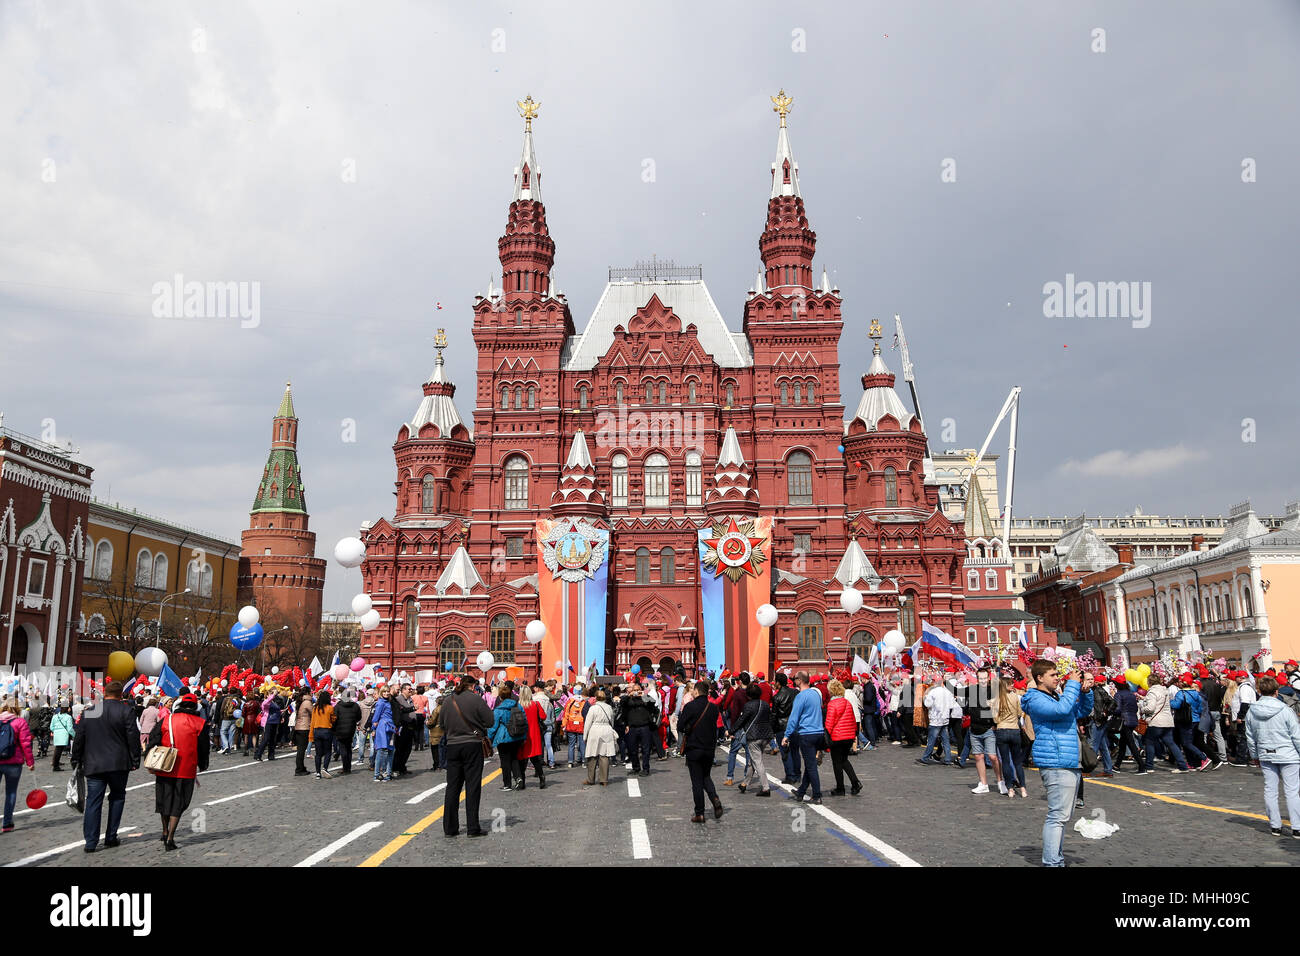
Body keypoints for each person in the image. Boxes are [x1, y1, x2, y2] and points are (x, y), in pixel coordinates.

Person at [1021, 661, 1093, 867]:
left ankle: (1055, 859)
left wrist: (1085, 692)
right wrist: (1071, 685)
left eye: (1057, 674)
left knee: (1063, 816)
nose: (1057, 678)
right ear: (1039, 678)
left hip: (1067, 760)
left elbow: (1080, 711)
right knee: (1057, 817)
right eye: (1052, 675)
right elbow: (1061, 711)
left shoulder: (1056, 696)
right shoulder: (1035, 699)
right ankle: (1052, 862)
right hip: (1056, 761)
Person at [71, 679, 142, 853]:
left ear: (105, 694)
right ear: (120, 695)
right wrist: (135, 760)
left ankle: (90, 841)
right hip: (118, 763)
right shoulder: (126, 711)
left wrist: (76, 760)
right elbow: (133, 737)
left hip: (94, 764)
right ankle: (111, 836)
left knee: (93, 802)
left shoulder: (90, 712)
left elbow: (79, 738)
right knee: (117, 798)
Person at [146, 693, 210, 851]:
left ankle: (164, 830)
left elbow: (153, 739)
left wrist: (150, 757)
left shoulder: (166, 720)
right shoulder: (200, 723)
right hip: (186, 768)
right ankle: (170, 838)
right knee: (179, 802)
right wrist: (203, 764)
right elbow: (203, 747)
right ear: (195, 706)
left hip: (165, 766)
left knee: (164, 799)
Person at [1244, 675, 1300, 838]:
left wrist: (1255, 755)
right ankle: (1297, 827)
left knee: (1270, 789)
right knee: (1292, 791)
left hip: (1265, 753)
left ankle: (1275, 825)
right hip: (1288, 754)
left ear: (1259, 691)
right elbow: (1296, 735)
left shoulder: (1251, 711)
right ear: (1277, 691)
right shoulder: (1286, 710)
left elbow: (1250, 736)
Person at [437, 674, 493, 837]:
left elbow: (442, 724)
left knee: (452, 787)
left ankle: (450, 828)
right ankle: (472, 828)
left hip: (453, 746)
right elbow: (490, 721)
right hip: (472, 745)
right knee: (472, 786)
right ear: (473, 686)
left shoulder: (448, 700)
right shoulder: (476, 699)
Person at [678, 680, 724, 821]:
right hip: (709, 748)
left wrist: (688, 727)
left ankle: (699, 813)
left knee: (697, 782)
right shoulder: (713, 708)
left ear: (696, 691)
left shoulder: (690, 706)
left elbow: (680, 726)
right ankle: (714, 798)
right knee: (706, 776)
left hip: (694, 748)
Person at [782, 671, 825, 804]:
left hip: (807, 734)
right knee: (810, 763)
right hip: (818, 732)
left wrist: (786, 735)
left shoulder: (801, 696)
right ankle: (801, 791)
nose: (794, 681)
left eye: (795, 679)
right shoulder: (816, 694)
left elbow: (794, 718)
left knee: (811, 766)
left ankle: (817, 795)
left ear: (800, 680)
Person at [1140, 677, 1191, 773]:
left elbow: (1150, 708)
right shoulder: (1165, 691)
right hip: (1167, 720)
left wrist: (1142, 708)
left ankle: (1149, 766)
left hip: (1156, 721)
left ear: (1150, 682)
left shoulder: (1152, 692)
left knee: (1150, 742)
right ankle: (1182, 765)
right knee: (1171, 743)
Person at [966, 670, 1005, 793]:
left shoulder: (993, 691)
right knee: (978, 756)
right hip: (974, 728)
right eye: (980, 678)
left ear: (988, 678)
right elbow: (956, 691)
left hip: (988, 728)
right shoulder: (972, 689)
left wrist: (993, 723)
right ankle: (983, 784)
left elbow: (998, 709)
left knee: (993, 756)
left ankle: (1000, 781)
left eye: (984, 678)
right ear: (977, 679)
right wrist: (945, 680)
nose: (982, 681)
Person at [0, 697, 35, 833]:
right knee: (11, 792)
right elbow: (26, 744)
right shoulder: (20, 722)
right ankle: (7, 823)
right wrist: (30, 762)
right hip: (14, 762)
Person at [824, 680, 862, 796]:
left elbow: (829, 723)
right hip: (848, 737)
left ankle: (840, 788)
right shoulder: (847, 702)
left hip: (837, 737)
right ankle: (855, 782)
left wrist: (826, 736)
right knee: (844, 761)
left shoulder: (832, 704)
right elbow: (851, 720)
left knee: (837, 763)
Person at [734, 683, 772, 796]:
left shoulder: (748, 705)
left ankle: (765, 788)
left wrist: (731, 730)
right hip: (766, 735)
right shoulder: (765, 704)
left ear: (748, 695)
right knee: (753, 760)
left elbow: (742, 720)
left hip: (753, 736)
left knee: (757, 761)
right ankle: (744, 783)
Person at [994, 673, 1028, 798]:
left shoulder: (996, 699)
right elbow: (1020, 713)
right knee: (1017, 762)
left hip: (1002, 730)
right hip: (1014, 730)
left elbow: (995, 718)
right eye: (1011, 683)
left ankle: (1010, 789)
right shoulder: (1015, 697)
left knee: (1006, 762)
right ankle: (1023, 788)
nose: (1013, 685)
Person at [488, 682, 525, 791]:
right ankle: (519, 778)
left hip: (503, 737)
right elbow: (524, 721)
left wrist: (489, 738)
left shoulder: (499, 709)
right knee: (514, 758)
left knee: (505, 761)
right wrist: (524, 736)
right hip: (517, 736)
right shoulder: (518, 705)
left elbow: (493, 727)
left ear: (500, 696)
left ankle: (507, 784)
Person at [582, 688, 618, 786]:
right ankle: (604, 779)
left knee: (592, 755)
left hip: (595, 730)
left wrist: (585, 736)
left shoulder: (593, 708)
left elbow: (588, 723)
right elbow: (612, 721)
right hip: (606, 729)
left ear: (596, 698)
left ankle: (590, 779)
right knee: (604, 755)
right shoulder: (609, 708)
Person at [621, 681, 658, 777]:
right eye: (635, 690)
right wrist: (630, 695)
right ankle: (636, 767)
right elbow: (622, 702)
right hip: (632, 727)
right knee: (632, 749)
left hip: (645, 726)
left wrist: (643, 695)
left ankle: (646, 768)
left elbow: (653, 702)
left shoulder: (645, 699)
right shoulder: (628, 700)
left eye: (638, 690)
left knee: (646, 749)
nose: (637, 692)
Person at [919, 678, 956, 766]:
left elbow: (927, 704)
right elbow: (951, 705)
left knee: (931, 740)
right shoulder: (947, 692)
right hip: (945, 719)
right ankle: (947, 759)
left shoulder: (933, 692)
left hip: (935, 719)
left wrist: (925, 697)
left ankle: (925, 758)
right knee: (945, 740)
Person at [516, 685, 547, 789]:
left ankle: (522, 782)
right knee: (535, 759)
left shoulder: (518, 705)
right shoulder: (535, 704)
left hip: (522, 735)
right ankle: (541, 777)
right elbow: (543, 716)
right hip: (534, 734)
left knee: (522, 760)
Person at [770, 672, 797, 782]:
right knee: (795, 751)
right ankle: (797, 773)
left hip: (781, 726)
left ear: (778, 683)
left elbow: (775, 714)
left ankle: (790, 775)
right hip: (794, 724)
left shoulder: (776, 697)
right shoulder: (795, 692)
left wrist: (771, 729)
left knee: (785, 752)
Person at [371, 685, 397, 782]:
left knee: (390, 750)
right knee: (382, 750)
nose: (386, 693)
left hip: (390, 727)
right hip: (383, 727)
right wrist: (374, 728)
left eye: (387, 692)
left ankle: (387, 773)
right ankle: (377, 774)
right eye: (384, 692)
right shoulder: (381, 702)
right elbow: (376, 717)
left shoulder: (388, 702)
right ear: (381, 693)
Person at [332, 690, 361, 775]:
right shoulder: (355, 706)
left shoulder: (338, 706)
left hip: (340, 730)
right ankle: (348, 767)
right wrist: (353, 721)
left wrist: (334, 728)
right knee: (348, 748)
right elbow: (359, 717)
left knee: (343, 749)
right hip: (351, 729)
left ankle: (345, 768)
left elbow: (334, 718)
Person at [391, 683, 417, 776]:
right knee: (400, 748)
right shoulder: (398, 699)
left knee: (408, 748)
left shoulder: (410, 699)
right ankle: (396, 767)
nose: (411, 690)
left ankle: (402, 766)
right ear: (403, 690)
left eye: (411, 689)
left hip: (411, 726)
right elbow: (401, 711)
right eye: (409, 689)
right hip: (403, 726)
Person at [310, 690, 337, 778]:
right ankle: (325, 768)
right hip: (326, 730)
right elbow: (333, 719)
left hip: (317, 731)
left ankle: (318, 772)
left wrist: (311, 735)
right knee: (328, 751)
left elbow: (312, 722)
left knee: (318, 753)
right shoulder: (330, 708)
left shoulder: (315, 708)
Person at [291, 690, 313, 776]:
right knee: (301, 750)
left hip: (299, 727)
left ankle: (301, 767)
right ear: (307, 693)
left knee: (300, 749)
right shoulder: (307, 702)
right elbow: (313, 712)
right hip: (304, 727)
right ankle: (299, 769)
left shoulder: (300, 701)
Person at [563, 688, 586, 767]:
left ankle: (570, 762)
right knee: (582, 744)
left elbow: (566, 714)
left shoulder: (570, 701)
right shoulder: (584, 702)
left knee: (571, 744)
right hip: (581, 724)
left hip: (571, 724)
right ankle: (583, 761)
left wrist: (564, 725)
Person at [255, 692, 282, 761]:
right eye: (271, 693)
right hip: (268, 722)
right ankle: (258, 754)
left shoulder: (274, 702)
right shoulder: (266, 702)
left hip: (275, 722)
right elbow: (264, 704)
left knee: (273, 739)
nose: (274, 695)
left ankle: (271, 755)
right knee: (266, 738)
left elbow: (277, 710)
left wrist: (281, 713)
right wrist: (272, 695)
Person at [50, 704, 75, 772]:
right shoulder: (68, 717)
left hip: (57, 734)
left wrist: (55, 731)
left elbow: (51, 727)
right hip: (64, 734)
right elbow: (69, 728)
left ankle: (56, 763)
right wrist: (74, 735)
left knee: (58, 749)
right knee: (59, 750)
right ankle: (55, 766)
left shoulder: (55, 716)